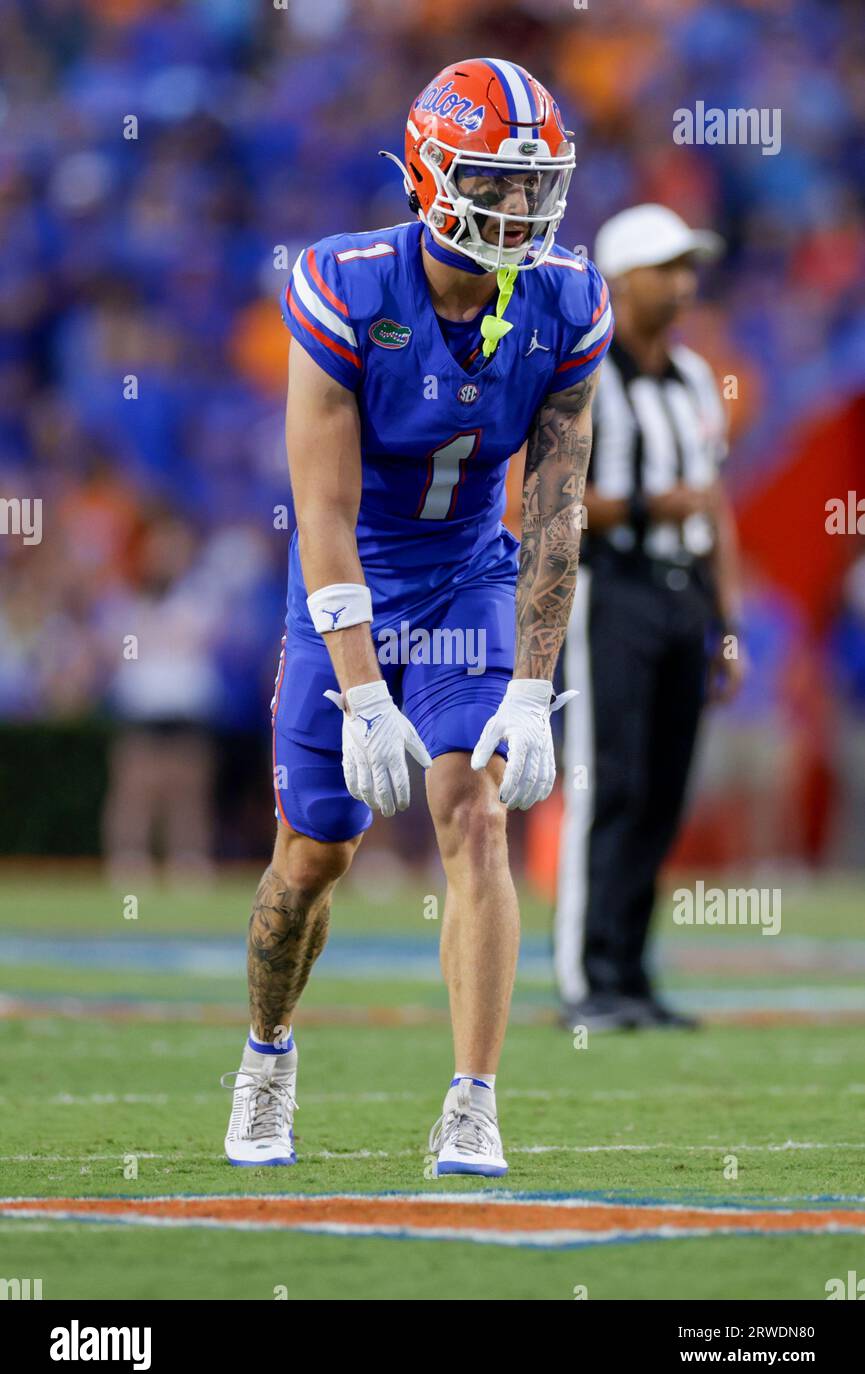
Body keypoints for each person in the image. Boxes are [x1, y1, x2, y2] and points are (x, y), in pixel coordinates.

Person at [222, 59, 613, 1173]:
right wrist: (358, 693)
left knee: (474, 813)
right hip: (349, 585)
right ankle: (265, 1056)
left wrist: (533, 691)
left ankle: (473, 1098)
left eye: (536, 186)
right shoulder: (346, 287)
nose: (523, 209)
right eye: (495, 183)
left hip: (467, 578)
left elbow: (552, 511)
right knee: (312, 857)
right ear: (434, 176)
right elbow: (324, 510)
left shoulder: (566, 299)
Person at [554, 204, 744, 1032]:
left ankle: (629, 971)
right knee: (609, 783)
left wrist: (726, 622)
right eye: (666, 267)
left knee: (663, 789)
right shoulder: (584, 374)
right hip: (612, 588)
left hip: (680, 594)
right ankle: (585, 978)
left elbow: (714, 506)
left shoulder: (696, 377)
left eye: (686, 266)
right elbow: (545, 505)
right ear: (623, 280)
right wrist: (642, 506)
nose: (682, 282)